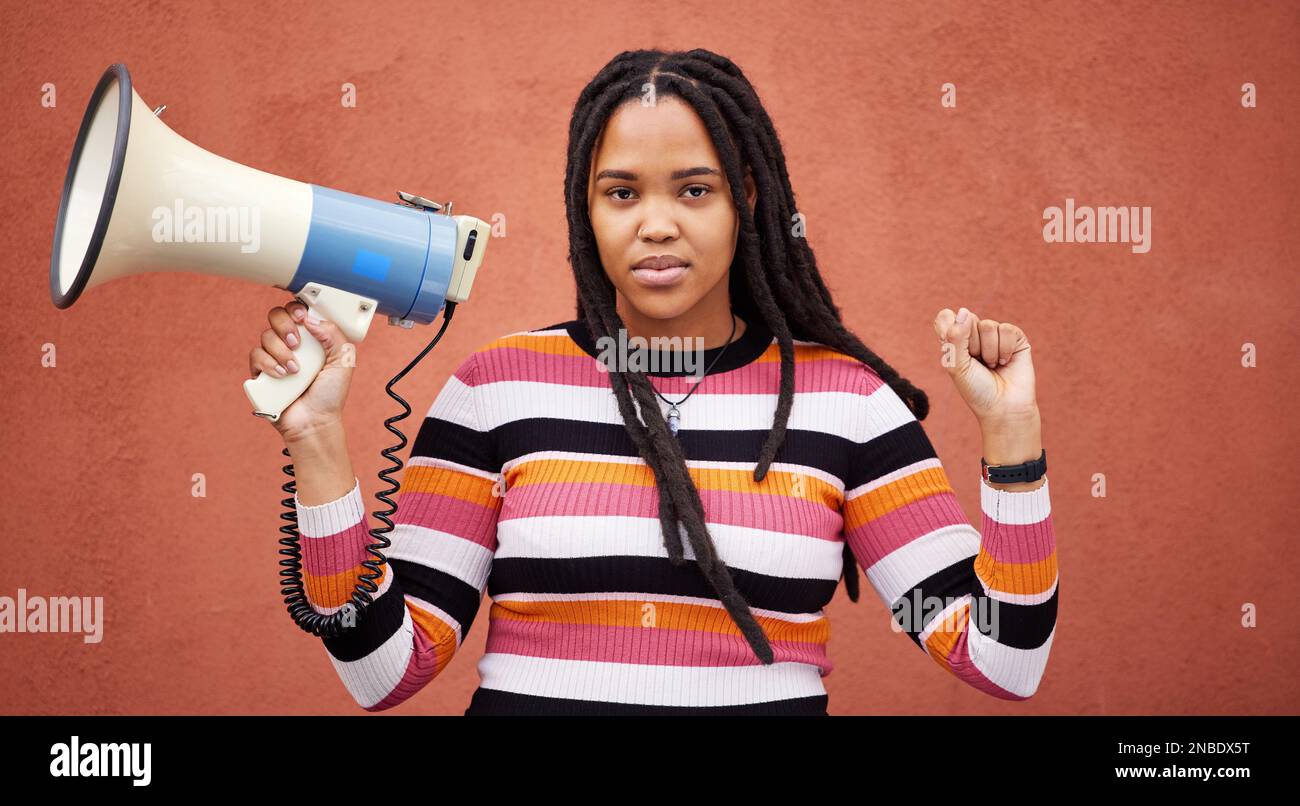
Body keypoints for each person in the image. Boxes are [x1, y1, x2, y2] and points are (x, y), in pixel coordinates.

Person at [249, 48, 1057, 715]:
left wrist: (1012, 436)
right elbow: (386, 670)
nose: (657, 223)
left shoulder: (846, 406)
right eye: (622, 192)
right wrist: (318, 442)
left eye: (695, 190)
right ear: (585, 209)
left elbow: (1004, 659)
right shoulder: (497, 388)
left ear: (745, 200)